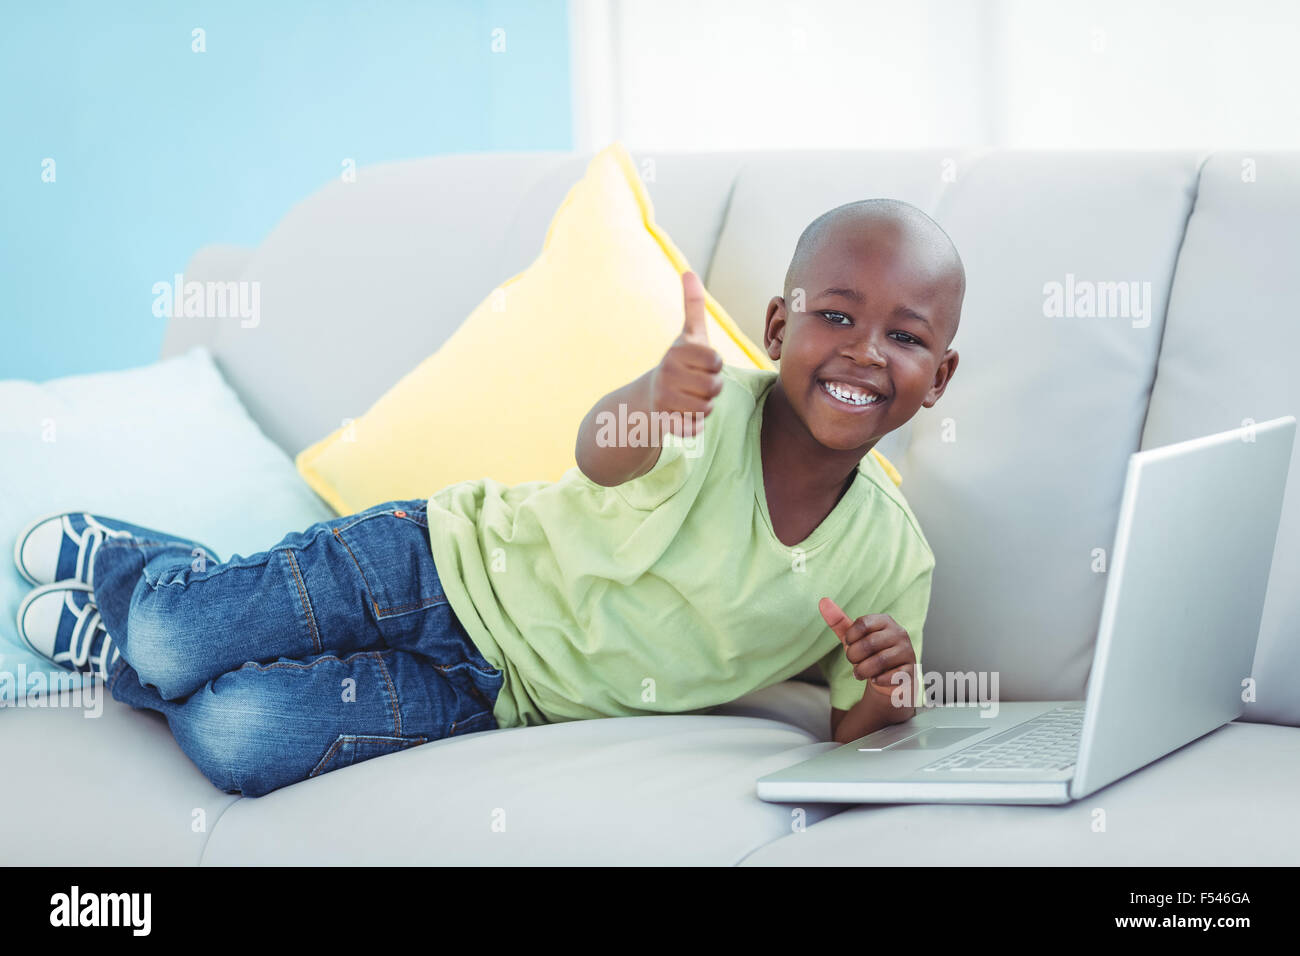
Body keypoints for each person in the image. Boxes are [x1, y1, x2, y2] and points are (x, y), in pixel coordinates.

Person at [13, 198, 963, 797]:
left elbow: (858, 730)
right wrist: (651, 398)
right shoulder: (707, 408)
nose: (865, 352)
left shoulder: (890, 558)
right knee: (182, 636)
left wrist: (886, 689)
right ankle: (151, 585)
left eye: (905, 337)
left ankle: (131, 656)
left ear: (941, 374)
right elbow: (601, 456)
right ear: (777, 324)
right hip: (436, 563)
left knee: (235, 737)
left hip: (498, 697)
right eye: (835, 315)